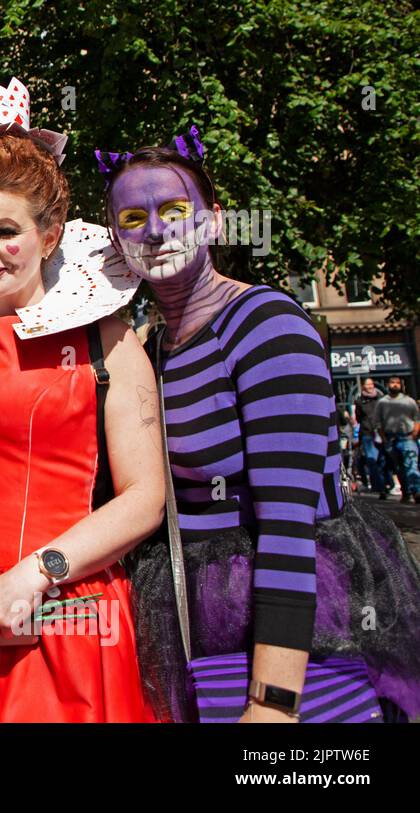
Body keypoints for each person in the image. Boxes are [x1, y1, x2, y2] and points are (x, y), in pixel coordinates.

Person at [99, 129, 420, 722]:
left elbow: (289, 526)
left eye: (175, 211)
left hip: (290, 639)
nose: (157, 229)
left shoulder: (267, 325)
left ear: (215, 222)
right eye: (132, 217)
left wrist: (273, 704)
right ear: (117, 240)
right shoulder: (151, 348)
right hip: (198, 632)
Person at [0, 79, 164, 723]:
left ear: (49, 236)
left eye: (3, 231)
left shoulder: (106, 336)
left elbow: (145, 497)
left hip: (59, 603)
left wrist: (32, 576)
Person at [377, 377, 420, 503]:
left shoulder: (409, 401)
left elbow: (417, 418)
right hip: (391, 438)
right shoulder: (382, 402)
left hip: (407, 437)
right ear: (387, 384)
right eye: (392, 382)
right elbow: (378, 422)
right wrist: (384, 437)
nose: (395, 385)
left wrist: (414, 434)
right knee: (398, 468)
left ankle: (416, 491)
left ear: (401, 385)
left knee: (411, 465)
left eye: (397, 383)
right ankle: (406, 493)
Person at [354, 378, 388, 497]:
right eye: (367, 384)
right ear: (363, 386)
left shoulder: (381, 399)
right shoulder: (359, 401)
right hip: (368, 433)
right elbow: (358, 418)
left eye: (371, 384)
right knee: (372, 460)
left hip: (382, 432)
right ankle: (380, 487)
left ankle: (387, 484)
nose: (370, 386)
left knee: (382, 461)